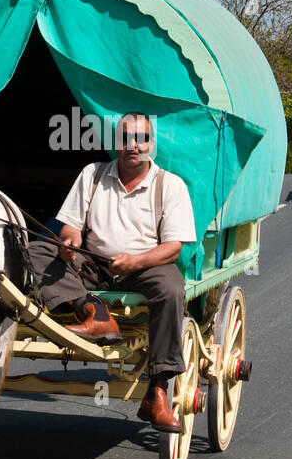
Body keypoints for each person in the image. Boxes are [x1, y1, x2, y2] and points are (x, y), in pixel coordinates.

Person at [26, 112, 196, 434]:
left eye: (141, 138)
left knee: (171, 289)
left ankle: (158, 389)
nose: (133, 145)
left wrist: (136, 261)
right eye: (125, 138)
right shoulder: (92, 174)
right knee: (37, 250)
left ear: (151, 145)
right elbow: (71, 227)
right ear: (114, 143)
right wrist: (69, 243)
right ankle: (95, 311)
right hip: (91, 263)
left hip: (145, 266)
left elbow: (173, 248)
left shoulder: (169, 185)